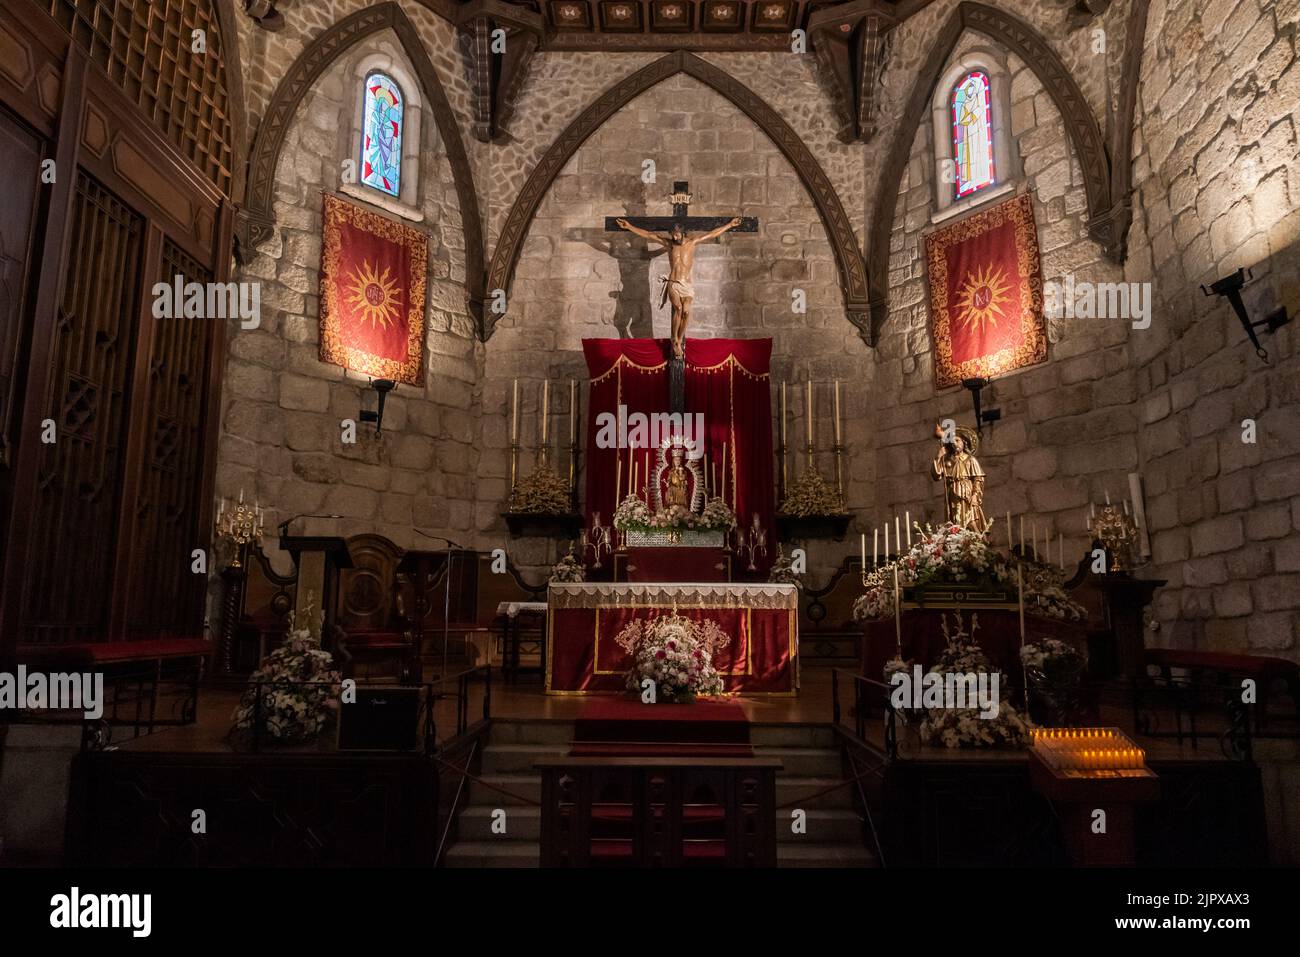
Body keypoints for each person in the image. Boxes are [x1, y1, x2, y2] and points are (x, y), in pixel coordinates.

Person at [614, 216, 743, 359]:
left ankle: (679, 338)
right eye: (673, 235)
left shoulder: (692, 242)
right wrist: (629, 226)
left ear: (682, 233)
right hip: (674, 283)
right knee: (679, 309)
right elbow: (648, 234)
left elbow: (712, 234)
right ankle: (674, 339)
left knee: (686, 311)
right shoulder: (669, 244)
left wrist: (730, 225)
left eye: (677, 234)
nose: (675, 237)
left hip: (686, 285)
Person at [931, 423, 989, 532]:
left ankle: (978, 541)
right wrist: (938, 456)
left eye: (957, 440)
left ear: (964, 443)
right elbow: (936, 475)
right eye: (953, 441)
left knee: (971, 520)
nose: (954, 443)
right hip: (952, 494)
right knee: (955, 522)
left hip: (966, 493)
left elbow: (978, 479)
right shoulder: (947, 460)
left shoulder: (970, 460)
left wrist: (975, 495)